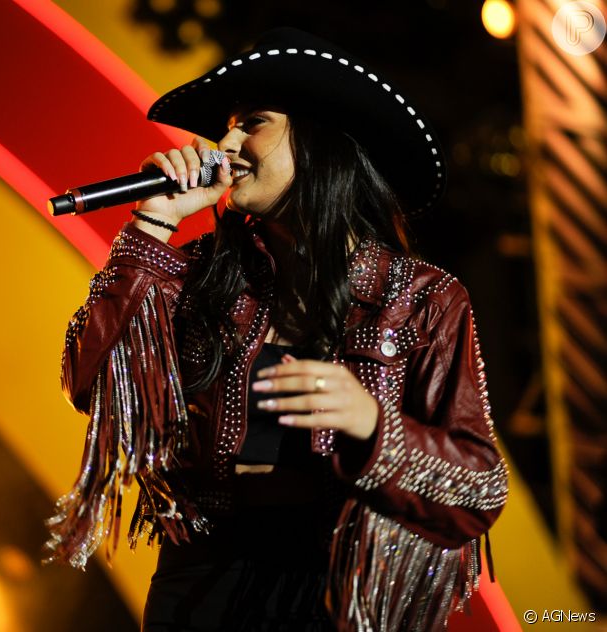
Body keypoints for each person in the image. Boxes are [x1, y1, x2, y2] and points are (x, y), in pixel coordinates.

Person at [45, 28, 508, 631]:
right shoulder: (192, 276)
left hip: (337, 588)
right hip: (199, 579)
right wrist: (151, 227)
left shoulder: (424, 299)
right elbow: (92, 387)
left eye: (252, 123)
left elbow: (476, 490)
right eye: (226, 128)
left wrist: (371, 426)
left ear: (321, 145)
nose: (225, 143)